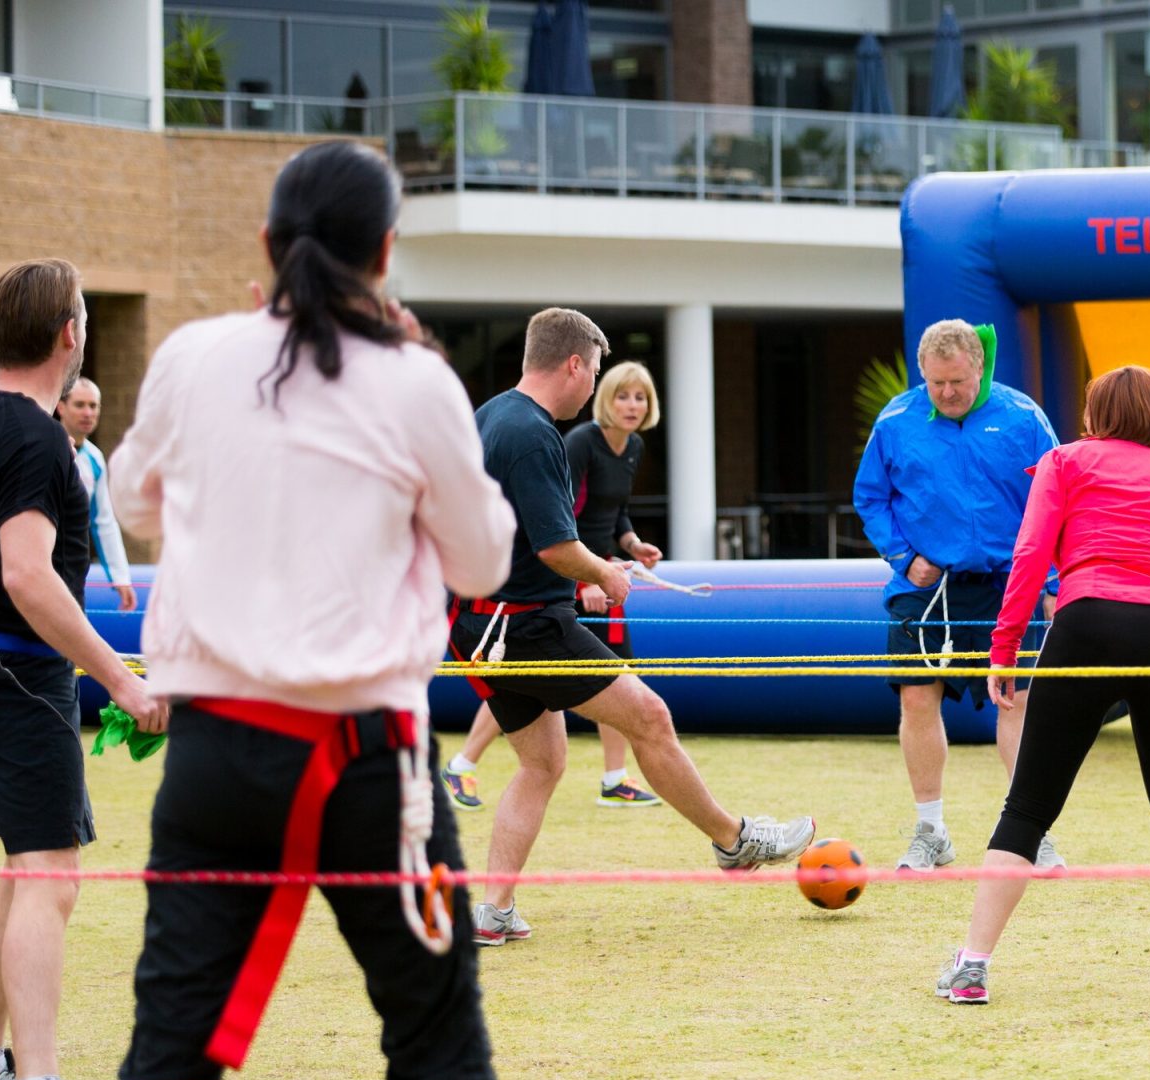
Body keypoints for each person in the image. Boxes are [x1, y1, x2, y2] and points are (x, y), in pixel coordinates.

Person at [64, 142, 586, 1080]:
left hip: (218, 753)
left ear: (266, 248)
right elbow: (477, 562)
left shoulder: (194, 355)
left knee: (168, 1036)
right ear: (387, 254)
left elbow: (133, 500)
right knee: (437, 1037)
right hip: (367, 764)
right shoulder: (412, 381)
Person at [450, 307, 812, 948]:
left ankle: (494, 910)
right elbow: (556, 547)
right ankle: (734, 840)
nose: (593, 386)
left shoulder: (492, 415)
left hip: (480, 622)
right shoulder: (535, 434)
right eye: (593, 372)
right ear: (573, 365)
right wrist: (604, 576)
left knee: (544, 761)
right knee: (650, 716)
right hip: (525, 622)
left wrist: (599, 560)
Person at [935, 365, 1150, 1007]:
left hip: (1086, 624)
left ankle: (971, 967)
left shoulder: (1066, 461)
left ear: (1098, 414)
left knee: (1028, 809)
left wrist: (1003, 647)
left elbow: (1031, 554)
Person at [0, 258, 166, 1080]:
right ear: (68, 334)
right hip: (17, 679)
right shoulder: (36, 439)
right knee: (49, 875)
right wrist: (122, 680)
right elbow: (27, 575)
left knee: (22, 873)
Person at [855, 318, 1064, 872]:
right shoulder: (897, 419)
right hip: (923, 587)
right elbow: (871, 498)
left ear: (980, 369)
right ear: (922, 372)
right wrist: (903, 556)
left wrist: (1050, 584)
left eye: (958, 383)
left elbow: (1057, 503)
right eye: (936, 383)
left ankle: (1031, 830)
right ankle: (931, 831)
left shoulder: (1023, 419)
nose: (947, 394)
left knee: (1014, 701)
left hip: (1008, 585)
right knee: (916, 699)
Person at [444, 360, 665, 811]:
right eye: (622, 395)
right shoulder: (578, 441)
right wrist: (586, 575)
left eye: (640, 397)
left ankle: (614, 777)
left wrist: (633, 544)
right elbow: (562, 518)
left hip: (598, 570)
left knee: (603, 672)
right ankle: (464, 761)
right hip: (574, 575)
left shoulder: (633, 448)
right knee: (548, 679)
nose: (632, 405)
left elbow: (615, 512)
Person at [57, 378, 138, 613]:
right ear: (61, 407)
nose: (87, 412)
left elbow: (104, 521)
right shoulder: (46, 447)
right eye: (79, 405)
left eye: (93, 406)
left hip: (72, 566)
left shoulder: (95, 458)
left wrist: (120, 576)